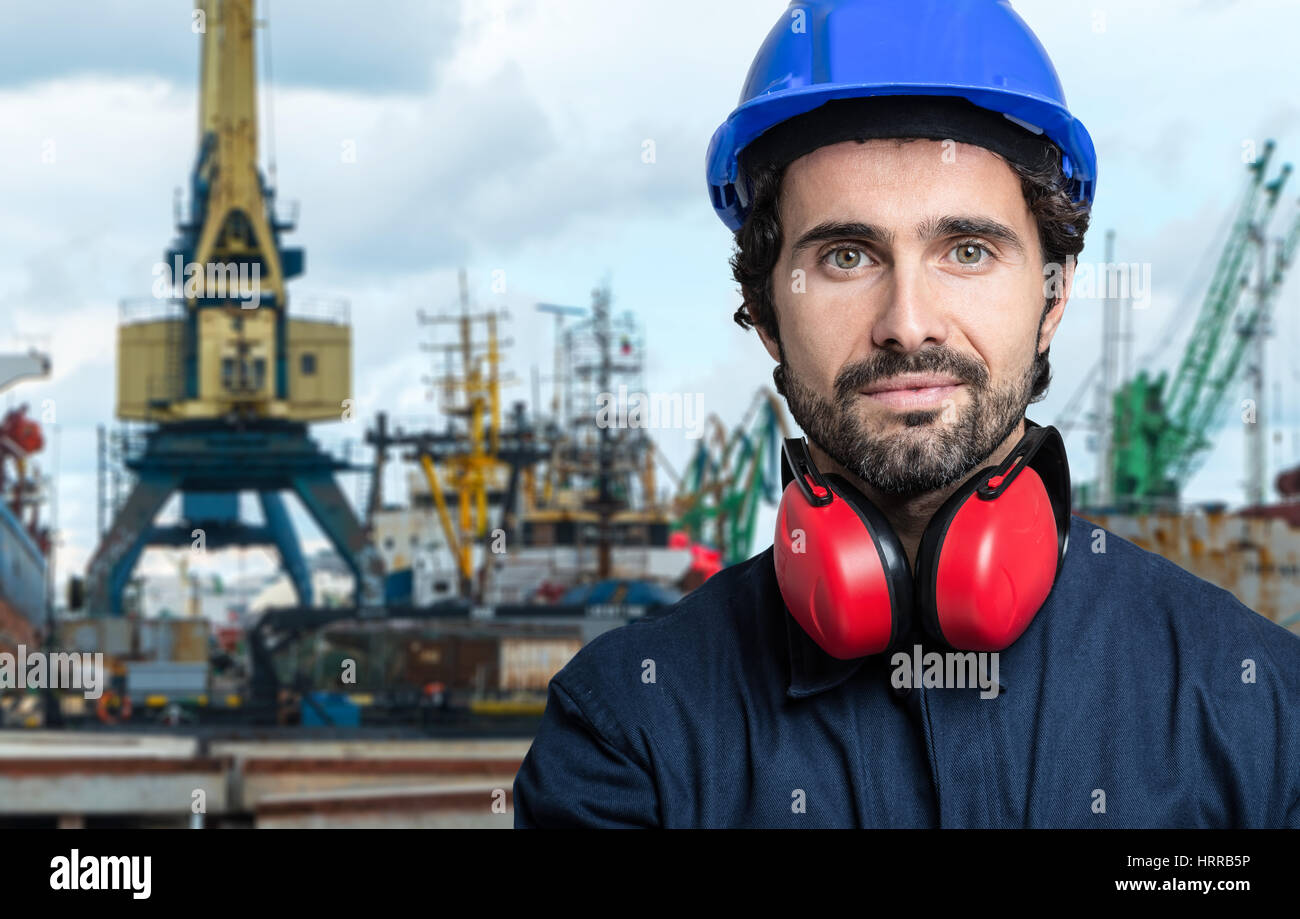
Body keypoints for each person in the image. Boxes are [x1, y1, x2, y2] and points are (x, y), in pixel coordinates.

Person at [513, 0, 1300, 828]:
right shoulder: (626, 733)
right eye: (847, 256)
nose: (909, 320)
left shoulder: (1264, 716)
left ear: (1054, 295)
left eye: (967, 251)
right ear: (767, 311)